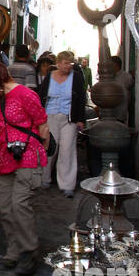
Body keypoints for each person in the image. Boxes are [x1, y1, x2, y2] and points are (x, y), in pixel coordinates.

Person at [0, 62, 48, 276]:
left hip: (27, 155)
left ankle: (30, 251)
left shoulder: (26, 95)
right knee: (6, 208)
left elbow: (42, 124)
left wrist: (42, 151)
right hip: (4, 156)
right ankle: (14, 251)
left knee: (20, 205)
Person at [35, 50, 87, 197]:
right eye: (65, 63)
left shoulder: (76, 77)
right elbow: (41, 96)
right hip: (49, 117)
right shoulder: (50, 77)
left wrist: (80, 120)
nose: (68, 66)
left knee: (67, 150)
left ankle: (67, 185)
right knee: (49, 148)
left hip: (69, 118)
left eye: (70, 63)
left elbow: (81, 99)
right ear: (58, 63)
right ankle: (44, 178)